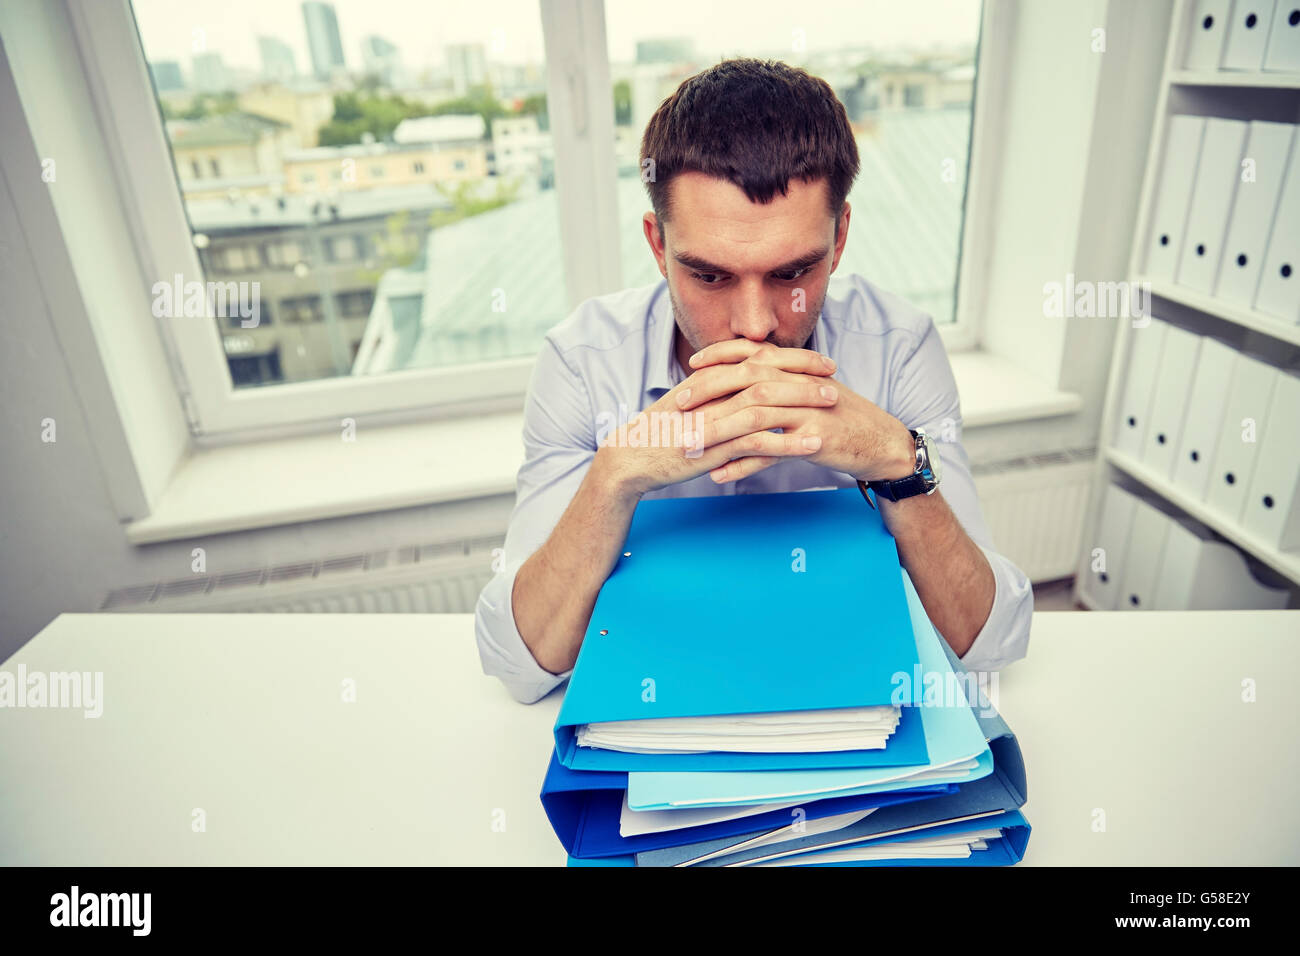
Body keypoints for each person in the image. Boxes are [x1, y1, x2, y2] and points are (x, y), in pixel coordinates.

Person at [476, 58, 1032, 704]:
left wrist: (895, 459)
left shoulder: (899, 348)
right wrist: (615, 476)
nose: (755, 325)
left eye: (792, 272)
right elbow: (518, 665)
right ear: (658, 247)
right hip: (660, 706)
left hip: (847, 709)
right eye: (709, 276)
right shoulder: (582, 362)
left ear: (840, 238)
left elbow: (991, 645)